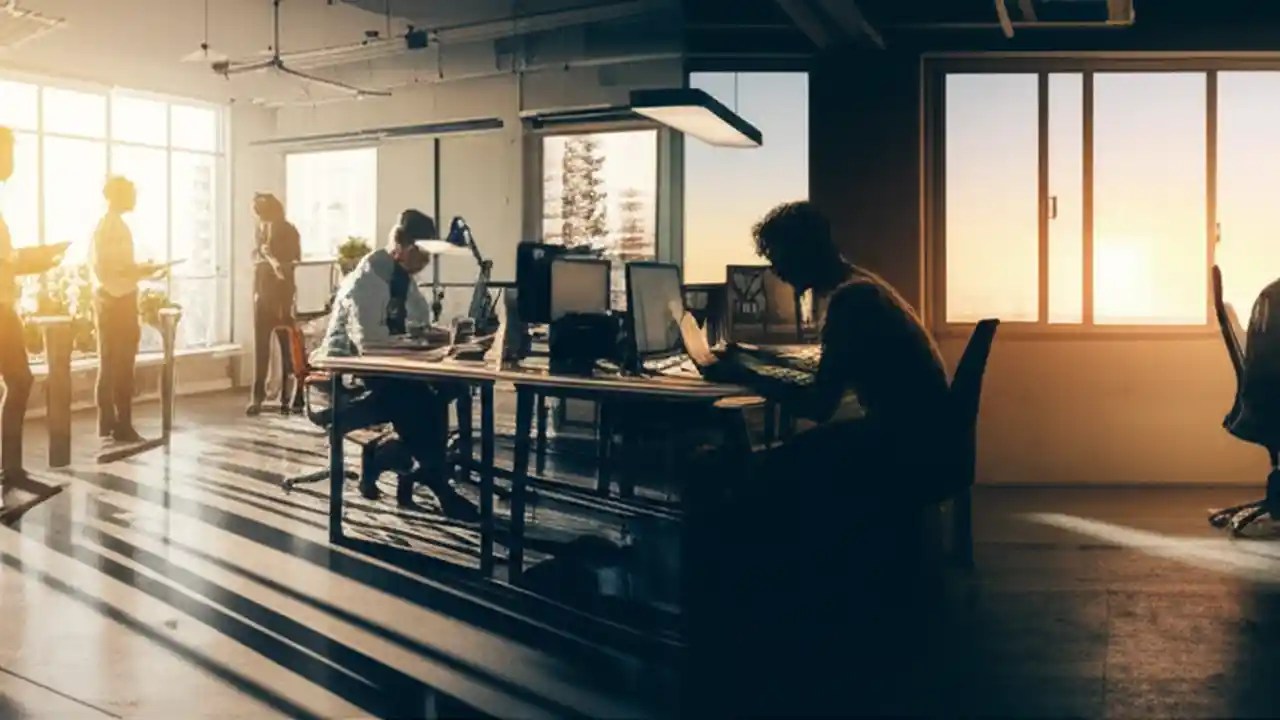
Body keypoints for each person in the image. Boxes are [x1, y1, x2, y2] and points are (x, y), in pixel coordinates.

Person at [312, 209, 478, 521]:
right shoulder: (367, 280)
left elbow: (418, 320)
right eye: (421, 253)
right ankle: (435, 480)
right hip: (351, 375)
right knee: (418, 402)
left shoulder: (402, 280)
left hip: (390, 369)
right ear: (402, 248)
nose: (426, 261)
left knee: (446, 389)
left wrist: (434, 337)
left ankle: (397, 459)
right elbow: (370, 344)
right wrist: (415, 342)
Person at [92, 176, 163, 444]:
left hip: (110, 298)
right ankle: (123, 426)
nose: (135, 199)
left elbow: (111, 266)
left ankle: (108, 423)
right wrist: (141, 270)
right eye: (131, 194)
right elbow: (112, 267)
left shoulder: (110, 225)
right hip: (117, 300)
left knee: (109, 362)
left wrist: (139, 270)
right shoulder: (112, 227)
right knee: (121, 364)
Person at [247, 192, 302, 416]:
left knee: (287, 347)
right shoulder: (260, 230)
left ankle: (289, 397)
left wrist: (274, 260)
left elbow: (293, 261)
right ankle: (257, 397)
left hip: (282, 294)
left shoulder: (288, 230)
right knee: (261, 347)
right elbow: (257, 257)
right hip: (262, 292)